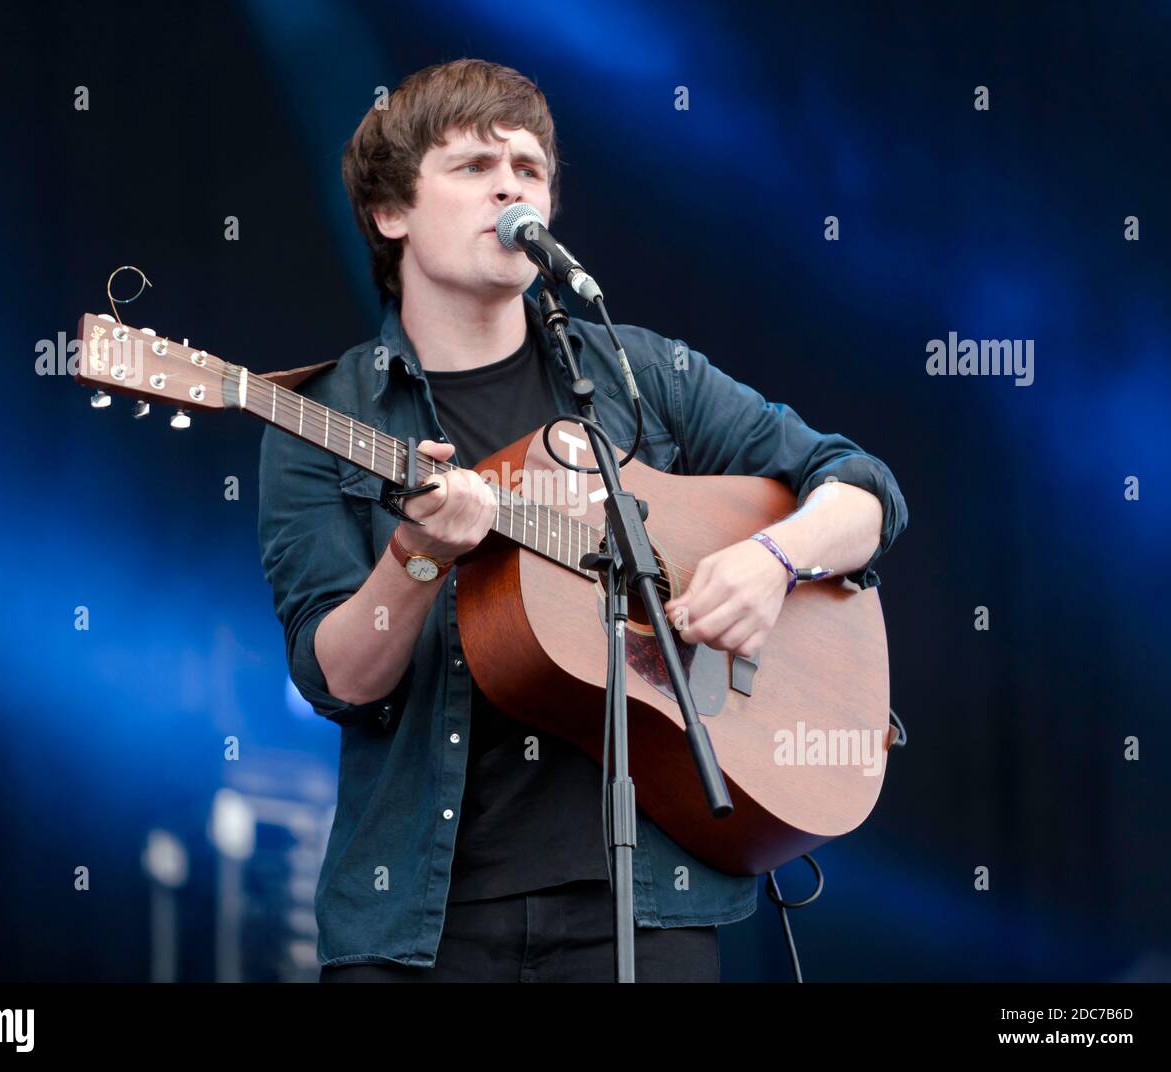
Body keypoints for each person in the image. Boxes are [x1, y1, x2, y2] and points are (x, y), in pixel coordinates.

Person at [257, 58, 908, 983]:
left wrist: (770, 560)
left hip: (653, 906)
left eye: (529, 168)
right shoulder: (323, 419)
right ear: (390, 213)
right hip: (420, 921)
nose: (510, 185)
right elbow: (340, 681)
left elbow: (863, 490)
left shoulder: (641, 377)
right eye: (475, 166)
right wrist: (415, 558)